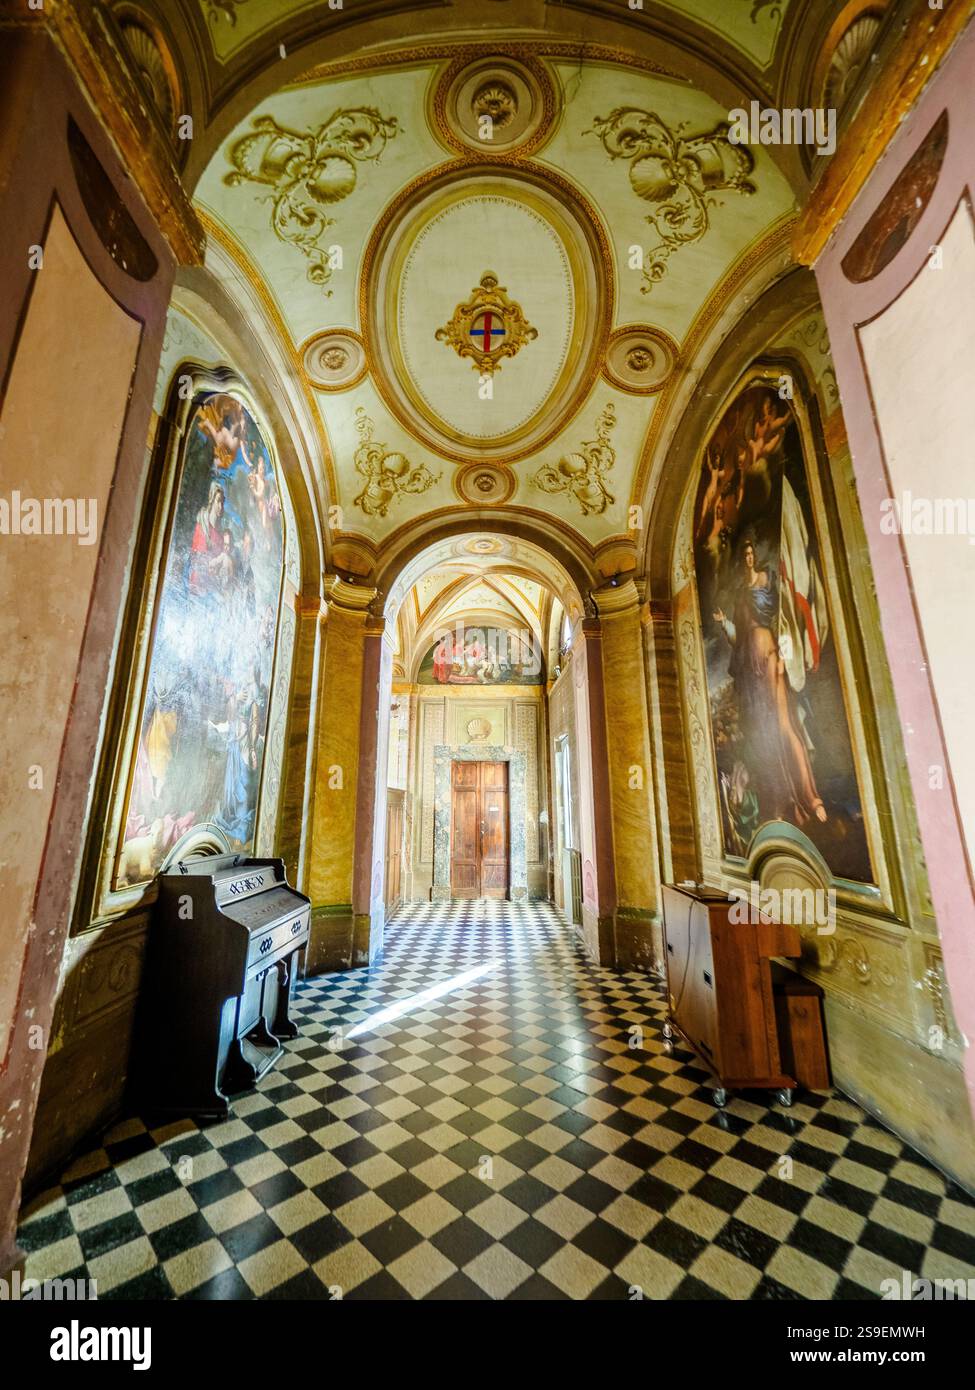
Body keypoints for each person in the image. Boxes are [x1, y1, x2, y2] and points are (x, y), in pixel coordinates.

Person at [713, 536, 827, 827]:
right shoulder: (740, 595)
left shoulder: (767, 580)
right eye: (745, 554)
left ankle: (811, 799)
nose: (749, 558)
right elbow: (739, 637)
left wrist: (784, 654)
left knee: (783, 725)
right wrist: (725, 623)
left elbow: (784, 617)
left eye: (752, 553)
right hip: (750, 668)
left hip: (768, 656)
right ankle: (778, 801)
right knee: (759, 735)